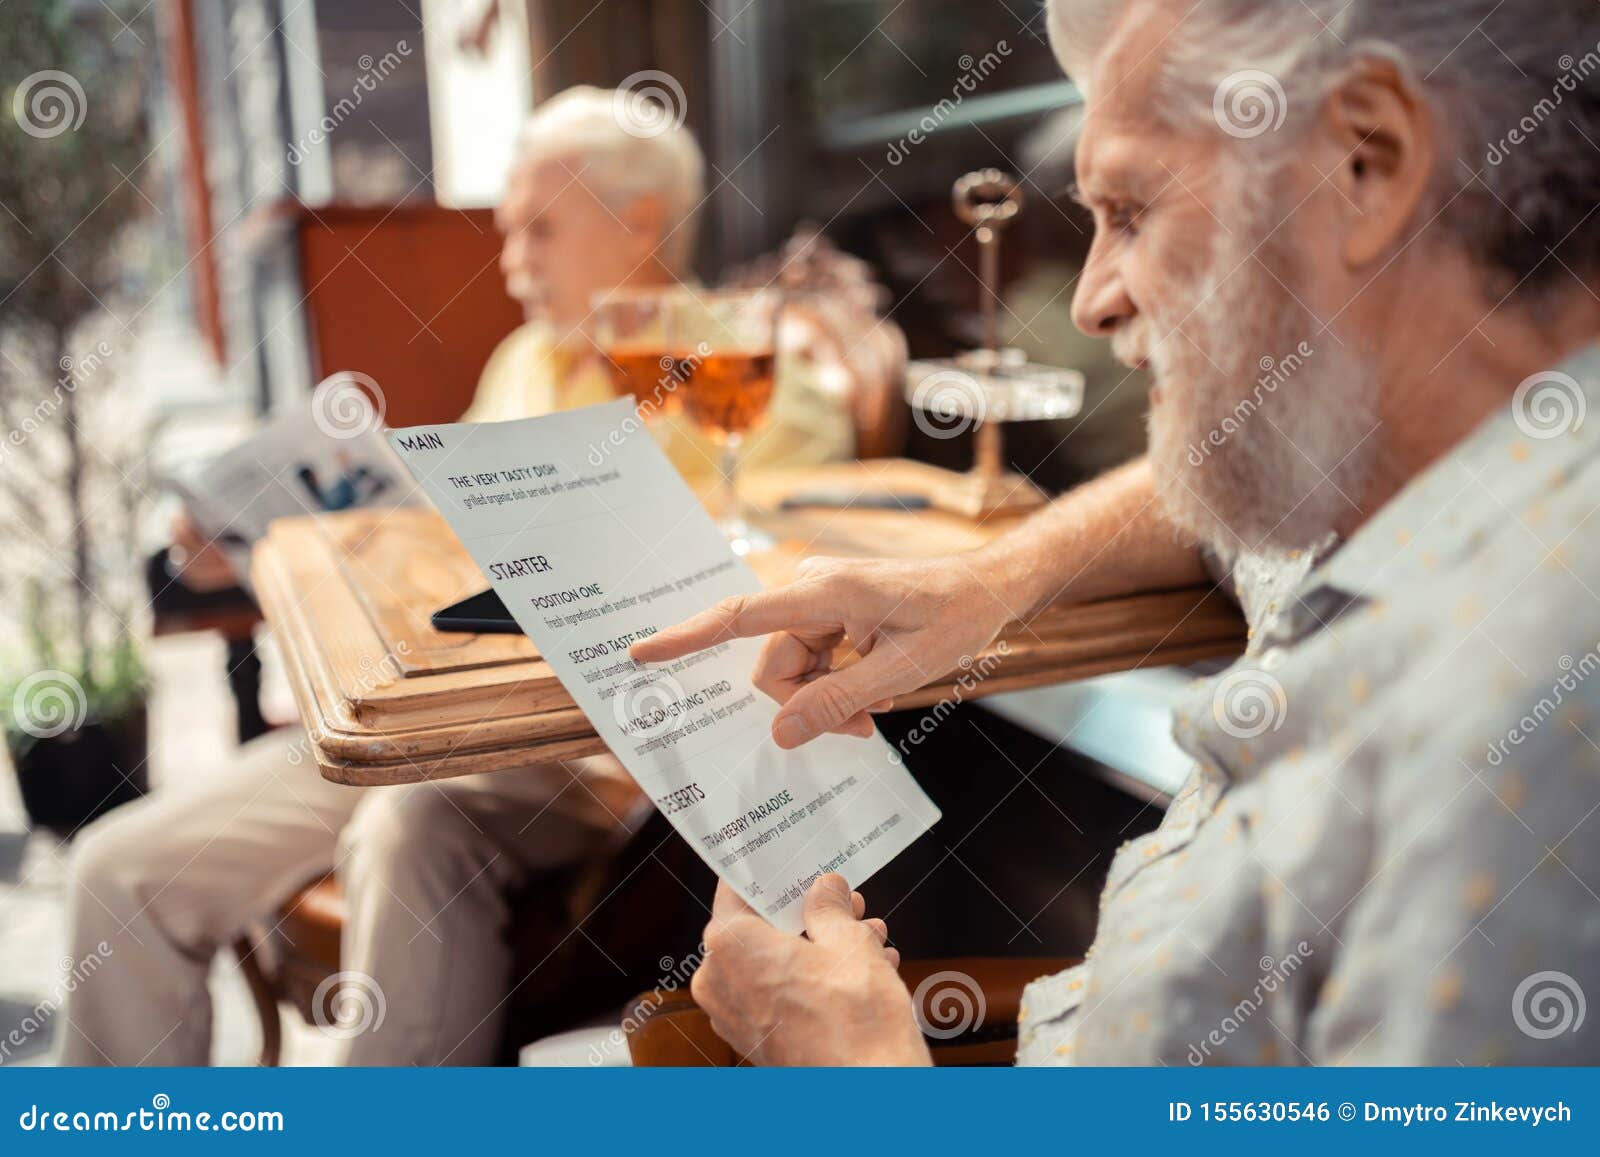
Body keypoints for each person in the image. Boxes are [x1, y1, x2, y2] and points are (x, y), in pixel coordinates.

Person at [634, 0, 1600, 1065]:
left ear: (1365, 161)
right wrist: (987, 582)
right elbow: (1200, 495)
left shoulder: (1526, 720)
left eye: (1130, 210)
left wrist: (856, 1061)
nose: (1090, 296)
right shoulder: (1378, 458)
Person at [58, 87, 852, 1066]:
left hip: (593, 757)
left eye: (539, 230)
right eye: (508, 230)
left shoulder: (740, 363)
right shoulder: (523, 361)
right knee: (115, 872)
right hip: (431, 726)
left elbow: (796, 546)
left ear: (638, 221)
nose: (510, 259)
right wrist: (262, 543)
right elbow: (438, 546)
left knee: (408, 823)